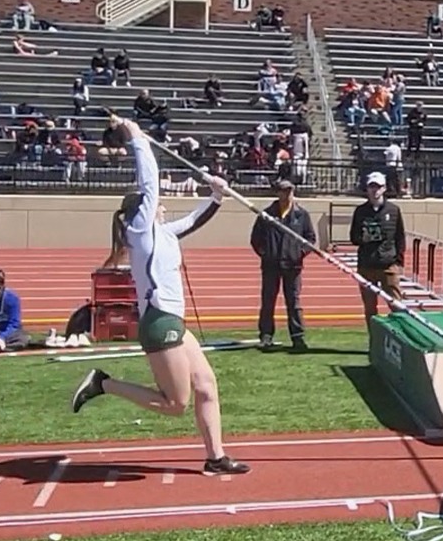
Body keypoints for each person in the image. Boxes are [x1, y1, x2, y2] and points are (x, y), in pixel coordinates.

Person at [70, 118, 248, 475]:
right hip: (158, 321)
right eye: (155, 202)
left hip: (173, 321)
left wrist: (216, 193)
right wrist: (136, 138)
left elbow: (196, 220)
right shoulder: (140, 233)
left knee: (207, 386)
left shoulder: (164, 234)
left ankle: (216, 457)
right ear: (144, 209)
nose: (162, 203)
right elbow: (149, 180)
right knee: (174, 404)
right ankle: (103, 383)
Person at [250, 178, 316, 350]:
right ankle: (266, 335)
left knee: (294, 302)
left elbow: (310, 239)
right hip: (271, 266)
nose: (287, 194)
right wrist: (266, 253)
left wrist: (300, 253)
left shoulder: (301, 214)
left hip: (293, 266)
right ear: (277, 192)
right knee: (268, 301)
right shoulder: (266, 214)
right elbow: (256, 239)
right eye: (283, 191)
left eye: (289, 191)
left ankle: (297, 336)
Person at [349, 171, 404, 318]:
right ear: (367, 189)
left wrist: (398, 261)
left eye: (378, 187)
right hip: (367, 265)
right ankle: (374, 338)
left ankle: (401, 337)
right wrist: (365, 237)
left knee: (397, 305)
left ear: (384, 188)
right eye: (372, 187)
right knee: (370, 309)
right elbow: (353, 237)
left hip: (388, 264)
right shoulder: (360, 211)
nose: (375, 190)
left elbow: (400, 237)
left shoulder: (393, 210)